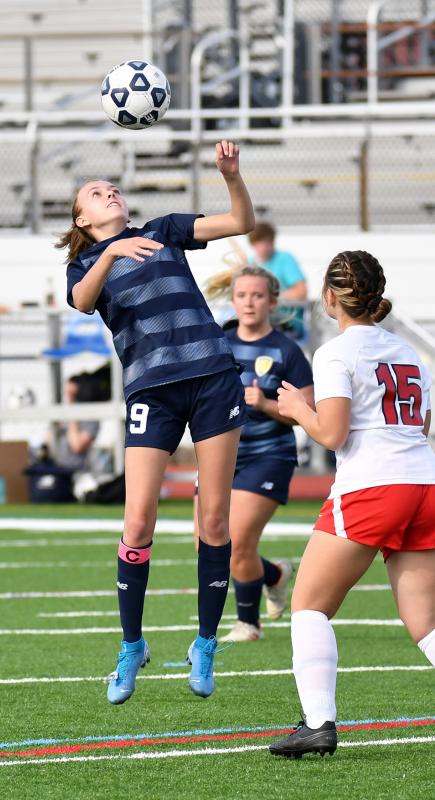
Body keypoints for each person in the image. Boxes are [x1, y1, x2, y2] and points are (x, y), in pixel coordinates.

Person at [59, 140, 255, 704]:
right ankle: (132, 645)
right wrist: (111, 255)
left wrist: (231, 176)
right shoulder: (84, 263)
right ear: (82, 219)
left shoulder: (164, 229)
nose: (109, 192)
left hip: (213, 377)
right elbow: (79, 300)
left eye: (111, 187)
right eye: (96, 193)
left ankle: (205, 642)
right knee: (138, 520)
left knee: (214, 520)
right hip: (152, 391)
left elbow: (241, 220)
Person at [269, 250, 435, 759]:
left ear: (329, 298)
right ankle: (316, 722)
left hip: (372, 486)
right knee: (425, 620)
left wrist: (299, 408)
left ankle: (318, 724)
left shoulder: (336, 352)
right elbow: (421, 427)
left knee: (308, 605)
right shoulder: (409, 353)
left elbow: (333, 432)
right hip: (424, 484)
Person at [198, 265, 313, 642]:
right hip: (219, 452)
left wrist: (265, 404)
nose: (249, 302)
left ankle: (248, 624)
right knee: (208, 540)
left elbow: (306, 413)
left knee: (236, 540)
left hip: (268, 454)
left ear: (273, 302)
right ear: (232, 300)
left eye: (258, 295)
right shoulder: (216, 340)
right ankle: (275, 575)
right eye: (242, 295)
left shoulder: (287, 352)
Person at [246, 222, 308, 338]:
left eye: (268, 242)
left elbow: (301, 291)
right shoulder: (249, 263)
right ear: (253, 244)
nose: (265, 246)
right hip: (259, 320)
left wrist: (270, 298)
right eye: (261, 242)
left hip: (286, 321)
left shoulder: (285, 259)